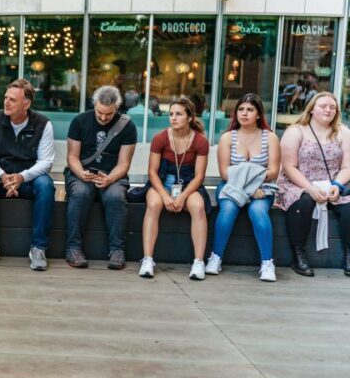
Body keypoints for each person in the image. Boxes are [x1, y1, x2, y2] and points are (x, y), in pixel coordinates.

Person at [0, 79, 55, 271]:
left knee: (46, 186)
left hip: (29, 178)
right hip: (1, 177)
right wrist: (3, 176)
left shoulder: (43, 124)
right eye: (5, 98)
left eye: (12, 99)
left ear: (26, 104)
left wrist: (22, 177)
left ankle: (38, 247)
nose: (6, 103)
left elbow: (46, 162)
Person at [206, 94, 280, 281]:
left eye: (250, 110)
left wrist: (249, 178)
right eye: (241, 109)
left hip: (262, 189)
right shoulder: (227, 138)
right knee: (229, 208)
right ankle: (216, 257)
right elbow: (225, 173)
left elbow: (273, 172)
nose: (244, 114)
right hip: (231, 186)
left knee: (258, 211)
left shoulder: (270, 138)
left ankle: (267, 263)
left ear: (258, 114)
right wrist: (250, 185)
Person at [276, 92, 350, 278]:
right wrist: (310, 188)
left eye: (332, 107)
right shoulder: (296, 131)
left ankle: (349, 254)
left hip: (333, 182)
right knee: (304, 202)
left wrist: (337, 185)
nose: (328, 110)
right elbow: (289, 166)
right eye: (323, 106)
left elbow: (347, 166)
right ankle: (298, 255)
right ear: (311, 109)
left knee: (349, 206)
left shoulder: (344, 132)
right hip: (299, 181)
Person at [65, 85, 137, 269]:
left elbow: (124, 164)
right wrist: (80, 172)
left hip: (112, 174)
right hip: (83, 172)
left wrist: (110, 179)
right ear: (94, 104)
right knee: (80, 193)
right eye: (99, 113)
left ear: (117, 108)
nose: (104, 118)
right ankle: (73, 248)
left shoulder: (127, 125)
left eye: (109, 114)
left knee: (115, 196)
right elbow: (72, 156)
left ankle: (117, 250)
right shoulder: (79, 121)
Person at [139, 97, 209, 279]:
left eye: (179, 114)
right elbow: (152, 172)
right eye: (171, 114)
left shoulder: (200, 141)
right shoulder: (160, 138)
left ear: (190, 117)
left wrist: (182, 197)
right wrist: (166, 196)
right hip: (162, 182)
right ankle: (147, 259)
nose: (173, 118)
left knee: (198, 207)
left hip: (188, 185)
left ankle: (199, 262)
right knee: (154, 205)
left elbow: (199, 176)